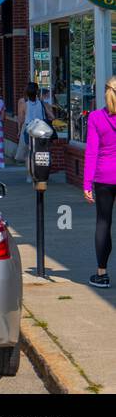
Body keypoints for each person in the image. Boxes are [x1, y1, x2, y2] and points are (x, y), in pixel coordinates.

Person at [84, 77, 116, 289]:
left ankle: (102, 273)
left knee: (103, 223)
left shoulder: (96, 117)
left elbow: (92, 152)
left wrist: (87, 184)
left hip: (104, 176)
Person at [15, 82, 48, 163]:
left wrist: (19, 130)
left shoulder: (22, 102)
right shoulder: (41, 102)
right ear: (37, 91)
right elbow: (50, 115)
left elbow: (21, 118)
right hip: (41, 128)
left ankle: (30, 172)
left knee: (27, 152)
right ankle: (38, 169)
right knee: (40, 150)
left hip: (28, 127)